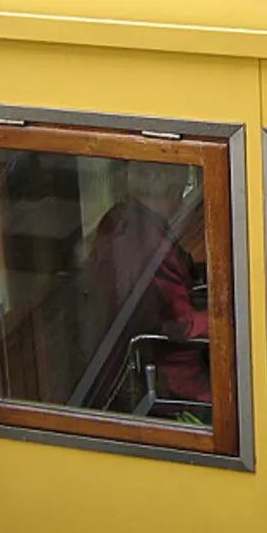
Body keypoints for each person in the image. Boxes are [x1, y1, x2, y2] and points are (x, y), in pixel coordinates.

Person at [89, 161, 210, 406]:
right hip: (171, 379)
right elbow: (181, 327)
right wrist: (231, 320)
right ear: (171, 190)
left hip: (141, 352)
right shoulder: (147, 244)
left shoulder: (120, 218)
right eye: (180, 189)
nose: (182, 199)